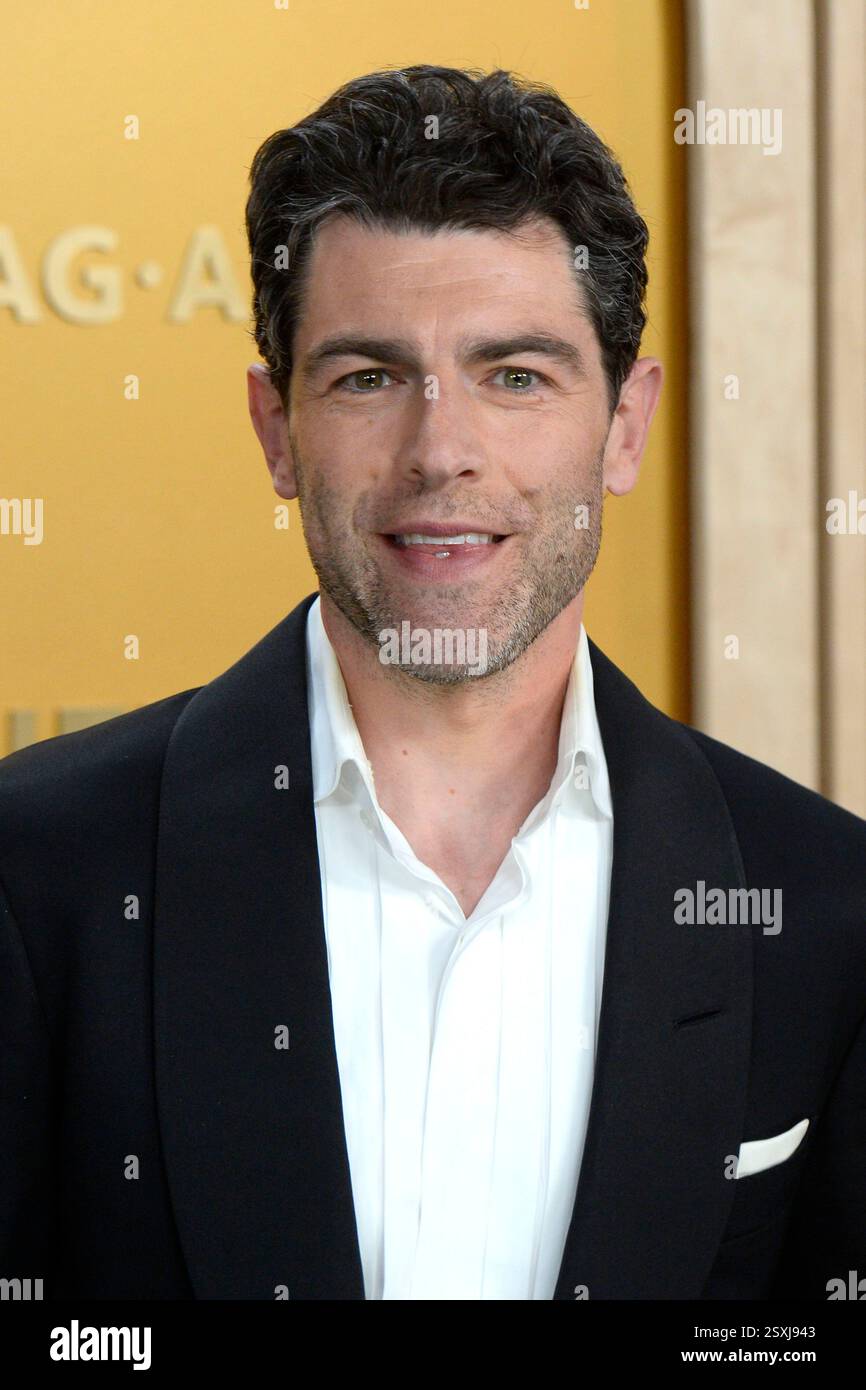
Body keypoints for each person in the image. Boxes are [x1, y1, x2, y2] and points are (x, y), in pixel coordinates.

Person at [1, 65, 864, 1301]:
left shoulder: (825, 906)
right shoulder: (39, 875)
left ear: (624, 425)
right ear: (275, 430)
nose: (440, 451)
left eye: (514, 376)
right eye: (366, 377)